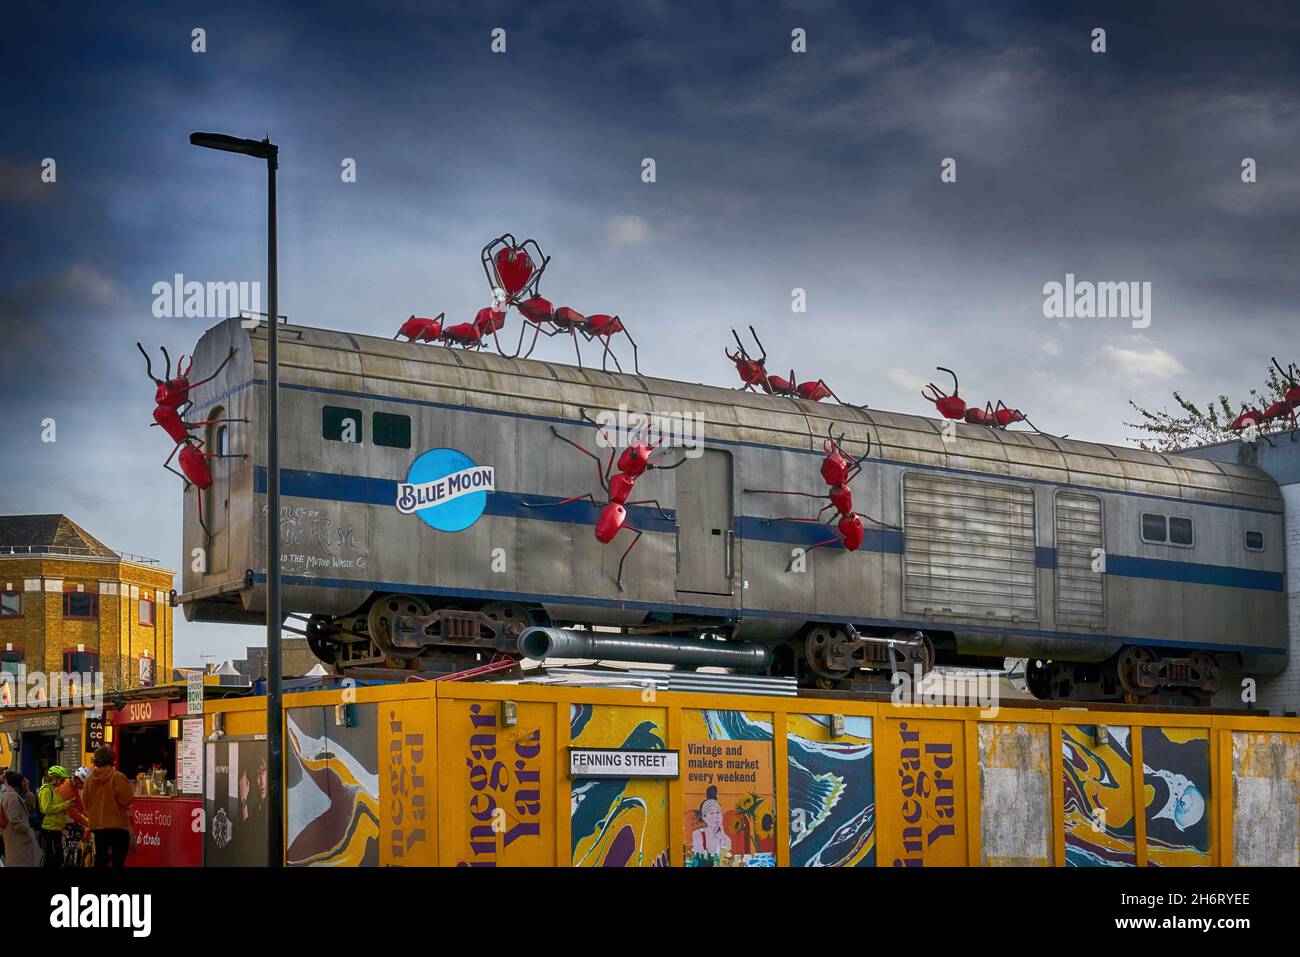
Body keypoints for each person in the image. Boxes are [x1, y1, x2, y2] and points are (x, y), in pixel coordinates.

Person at [82, 747, 133, 868]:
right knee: (118, 861)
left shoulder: (89, 781)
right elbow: (127, 800)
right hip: (117, 827)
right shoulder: (118, 777)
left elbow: (86, 803)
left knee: (101, 858)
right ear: (112, 760)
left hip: (98, 827)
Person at [37, 766, 75, 868]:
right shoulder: (46, 791)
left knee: (56, 858)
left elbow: (57, 809)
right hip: (49, 830)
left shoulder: (54, 791)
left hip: (56, 829)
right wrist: (66, 804)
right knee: (53, 859)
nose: (62, 783)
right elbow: (47, 809)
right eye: (61, 780)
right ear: (54, 777)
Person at [1, 771, 40, 867]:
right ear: (18, 783)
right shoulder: (12, 796)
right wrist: (26, 830)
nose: (26, 783)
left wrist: (28, 791)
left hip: (18, 840)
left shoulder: (13, 795)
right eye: (23, 782)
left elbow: (29, 807)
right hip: (18, 840)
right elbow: (14, 819)